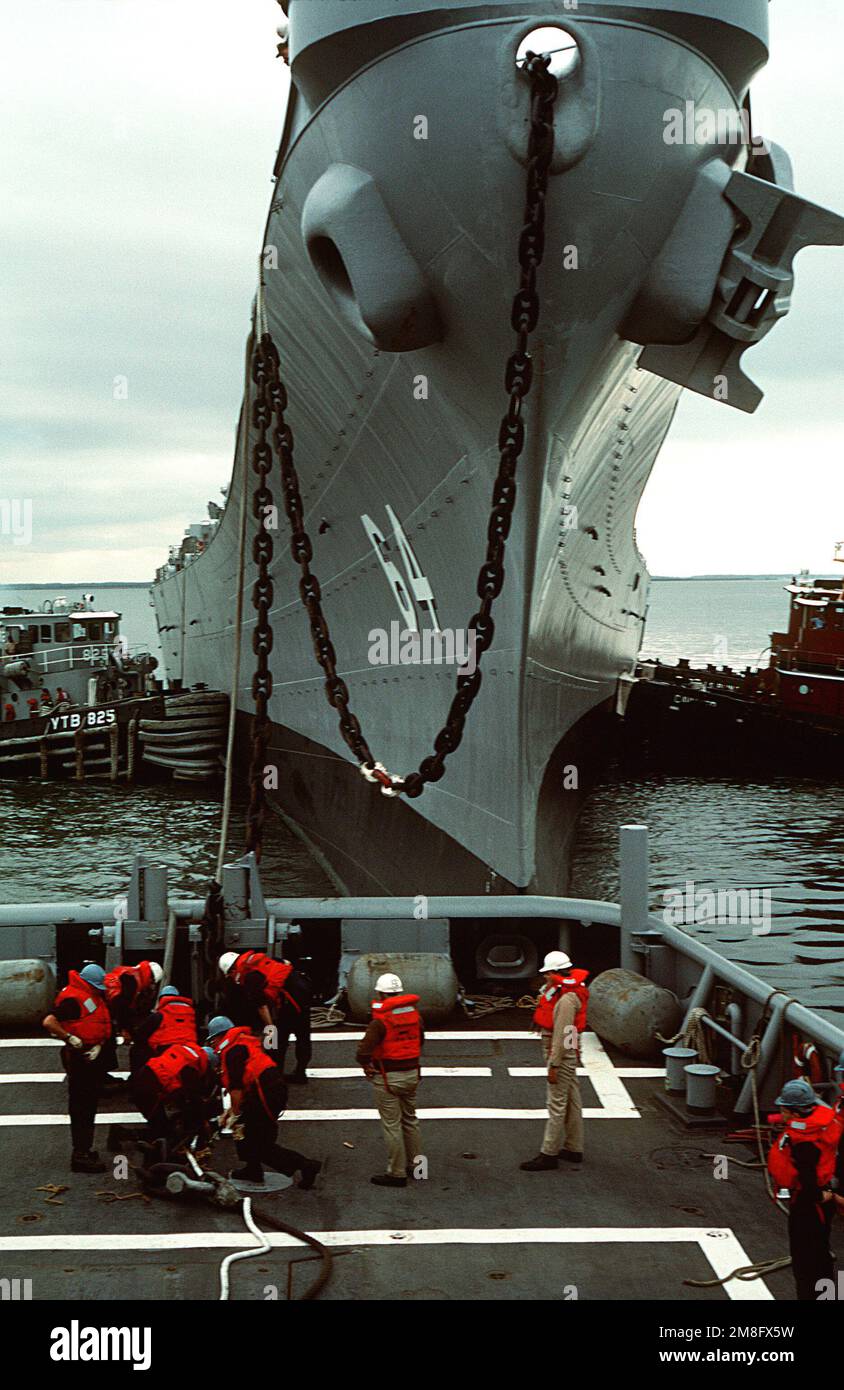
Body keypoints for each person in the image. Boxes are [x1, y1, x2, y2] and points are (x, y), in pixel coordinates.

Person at [206, 1016, 321, 1189]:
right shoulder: (243, 1043)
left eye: (212, 1041)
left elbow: (236, 1088)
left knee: (260, 1144)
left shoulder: (232, 1052)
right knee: (246, 1133)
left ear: (217, 1037)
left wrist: (234, 1115)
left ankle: (306, 1165)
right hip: (267, 1090)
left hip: (265, 1094)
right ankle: (252, 1169)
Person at [767, 1078, 840, 1300]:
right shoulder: (818, 1129)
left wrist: (820, 1196)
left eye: (784, 1110)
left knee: (806, 1260)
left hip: (808, 1206)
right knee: (820, 1254)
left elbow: (809, 1186)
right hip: (820, 1203)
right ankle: (828, 1296)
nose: (782, 1114)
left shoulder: (803, 1143)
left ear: (795, 1113)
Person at [520, 950, 587, 1171]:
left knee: (556, 1103)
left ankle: (548, 1153)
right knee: (572, 1100)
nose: (546, 976)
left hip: (561, 1054)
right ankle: (574, 1147)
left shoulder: (567, 999)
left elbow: (561, 1034)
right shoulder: (567, 991)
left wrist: (554, 1064)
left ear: (557, 972)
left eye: (548, 973)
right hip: (568, 1051)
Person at [42, 963, 112, 1173]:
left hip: (89, 1056)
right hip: (79, 1058)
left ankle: (84, 1149)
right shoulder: (73, 999)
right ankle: (80, 1154)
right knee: (82, 1107)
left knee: (88, 1105)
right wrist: (71, 1039)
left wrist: (98, 1045)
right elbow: (49, 1022)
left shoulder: (89, 996)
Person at [356, 973, 423, 1188]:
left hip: (388, 1077)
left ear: (380, 993)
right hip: (412, 1074)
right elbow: (420, 1040)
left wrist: (366, 1065)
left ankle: (397, 1173)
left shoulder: (380, 1021)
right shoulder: (415, 1015)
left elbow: (364, 1052)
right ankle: (419, 1167)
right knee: (410, 1120)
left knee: (392, 1125)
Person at [218, 949, 313, 1084]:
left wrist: (270, 1028)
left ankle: (275, 1076)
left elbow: (261, 1006)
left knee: (276, 1039)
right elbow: (286, 963)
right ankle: (300, 1073)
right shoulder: (259, 960)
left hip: (290, 1001)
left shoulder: (249, 977)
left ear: (232, 971)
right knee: (303, 1036)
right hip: (303, 991)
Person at [130, 1043, 218, 1159]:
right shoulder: (192, 1067)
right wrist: (202, 1122)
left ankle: (157, 1155)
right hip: (149, 1090)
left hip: (144, 1077)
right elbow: (192, 1098)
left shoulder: (184, 1053)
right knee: (161, 1130)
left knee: (161, 1126)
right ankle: (153, 1161)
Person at [130, 984, 196, 1070]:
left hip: (165, 1051)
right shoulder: (191, 1013)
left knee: (136, 1050)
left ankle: (136, 1080)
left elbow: (140, 1035)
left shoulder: (160, 1015)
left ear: (161, 999)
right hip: (189, 1051)